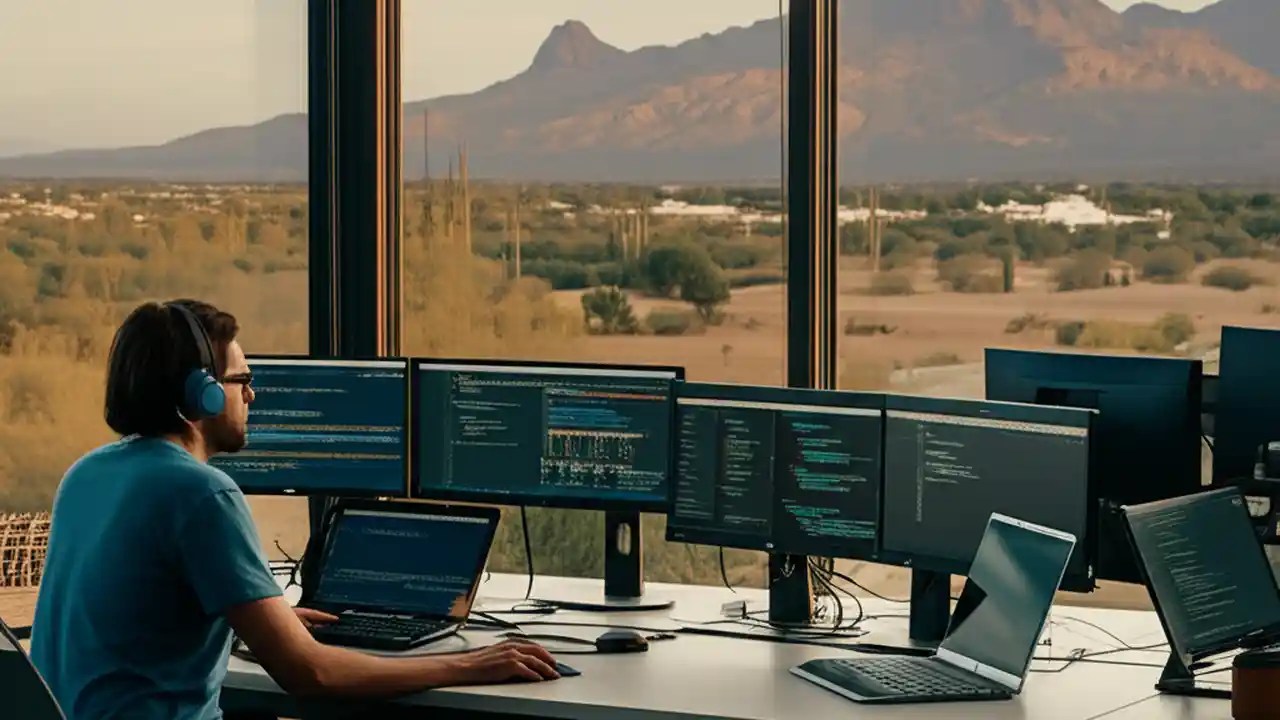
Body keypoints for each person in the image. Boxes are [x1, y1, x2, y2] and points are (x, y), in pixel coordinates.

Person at [30, 299, 559, 720]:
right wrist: (467, 664)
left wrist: (256, 622)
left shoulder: (87, 473)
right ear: (205, 395)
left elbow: (131, 616)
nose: (253, 396)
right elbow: (312, 675)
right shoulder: (201, 494)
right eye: (242, 380)